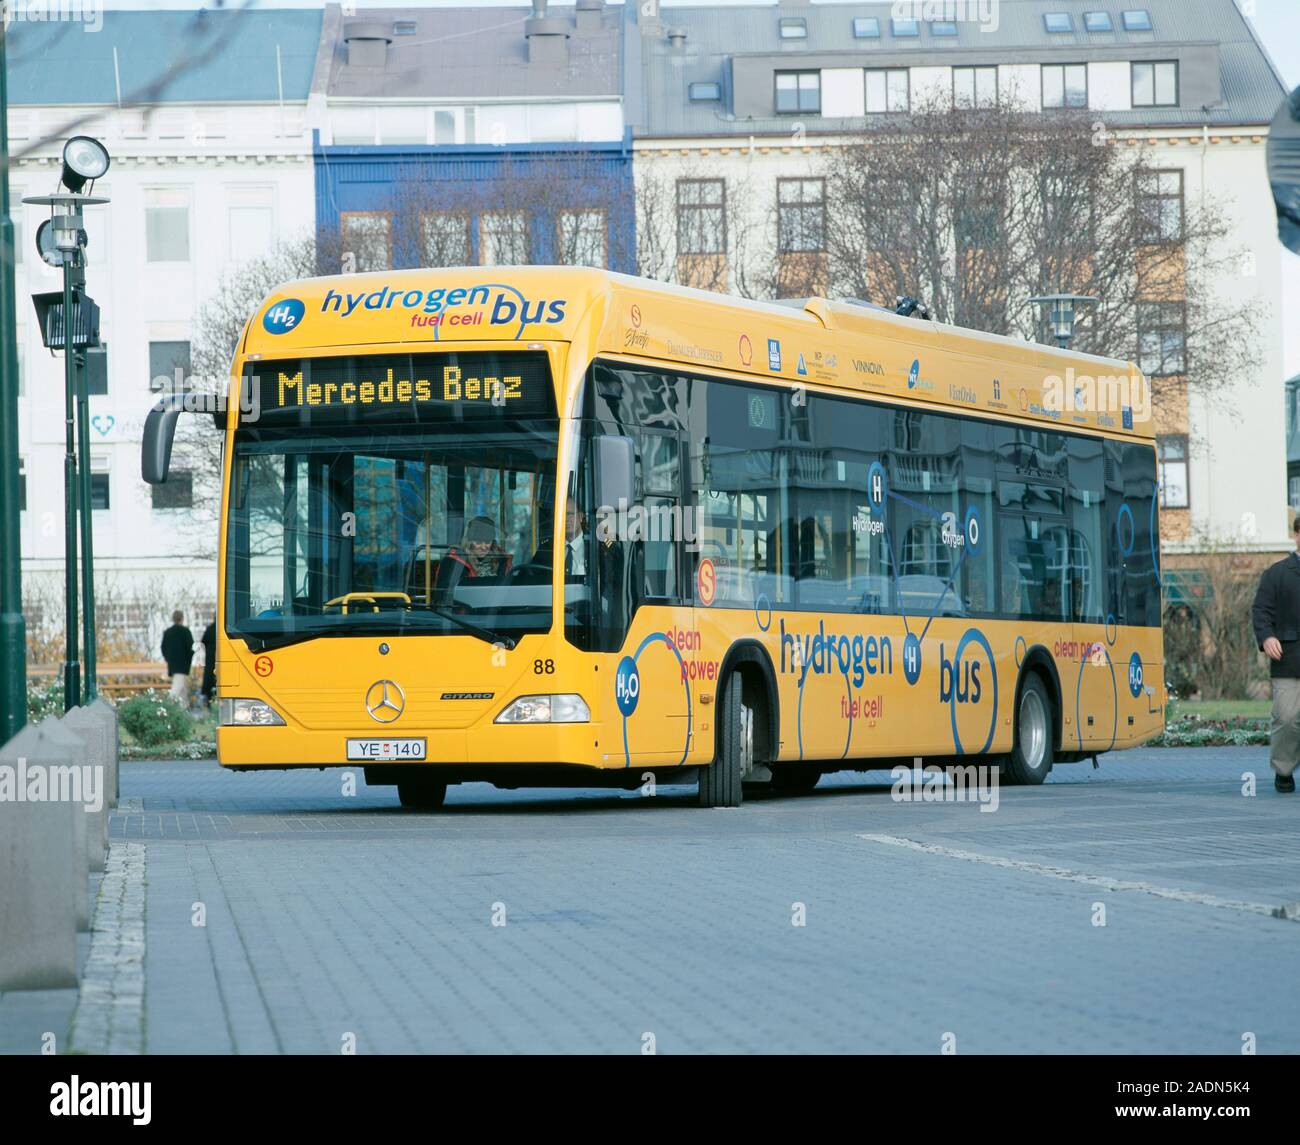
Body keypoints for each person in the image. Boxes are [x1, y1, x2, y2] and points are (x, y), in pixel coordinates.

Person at [1251, 514, 1300, 793]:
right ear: (1296, 534)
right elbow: (1261, 610)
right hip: (1289, 659)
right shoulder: (1277, 574)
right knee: (1287, 717)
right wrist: (1267, 636)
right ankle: (1283, 769)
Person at [434, 516, 511, 603]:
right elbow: (445, 597)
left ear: (492, 542)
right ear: (469, 541)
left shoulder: (501, 560)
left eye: (487, 542)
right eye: (478, 542)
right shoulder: (453, 562)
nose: (483, 546)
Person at [532, 504, 587, 577]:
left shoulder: (594, 547)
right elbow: (531, 577)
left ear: (580, 516)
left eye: (570, 514)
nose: (566, 519)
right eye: (561, 514)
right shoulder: (546, 549)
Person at [161, 610, 195, 704]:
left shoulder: (168, 632)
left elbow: (163, 648)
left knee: (183, 689)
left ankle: (184, 710)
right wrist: (188, 659)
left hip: (172, 664)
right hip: (183, 665)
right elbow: (191, 648)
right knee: (177, 688)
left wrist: (168, 659)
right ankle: (168, 706)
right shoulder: (185, 631)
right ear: (182, 618)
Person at [200, 620, 217, 708]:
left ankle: (209, 703)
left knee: (209, 680)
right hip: (218, 657)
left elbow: (203, 641)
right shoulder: (224, 628)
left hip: (210, 658)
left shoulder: (210, 628)